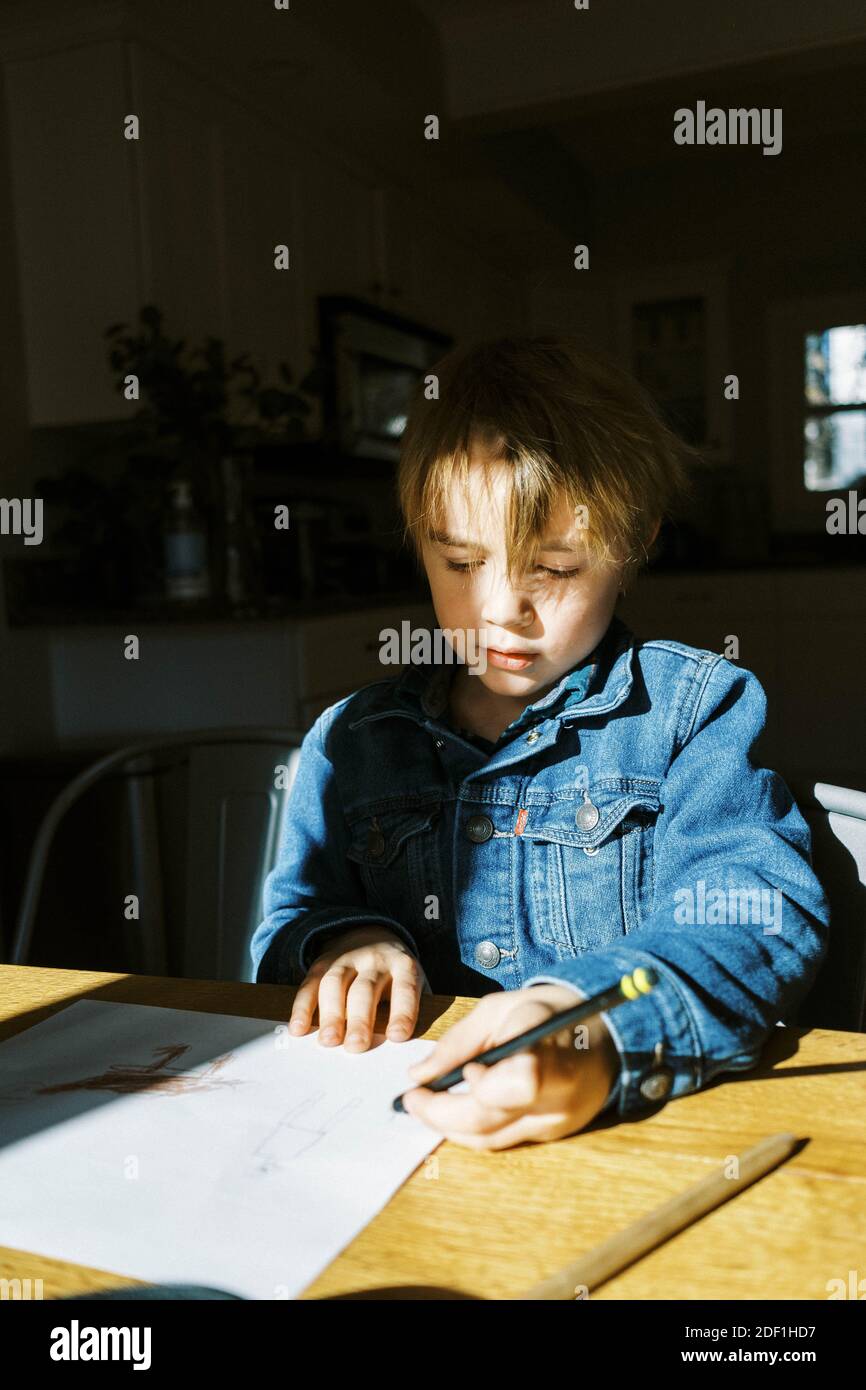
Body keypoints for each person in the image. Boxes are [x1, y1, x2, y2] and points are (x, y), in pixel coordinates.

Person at [250, 335, 829, 1151]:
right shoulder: (353, 740)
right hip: (390, 1142)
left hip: (622, 1137)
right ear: (419, 540)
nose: (501, 611)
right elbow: (287, 922)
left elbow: (754, 912)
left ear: (633, 547)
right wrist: (345, 940)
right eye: (461, 561)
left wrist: (589, 1020)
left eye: (553, 569)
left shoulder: (689, 711)